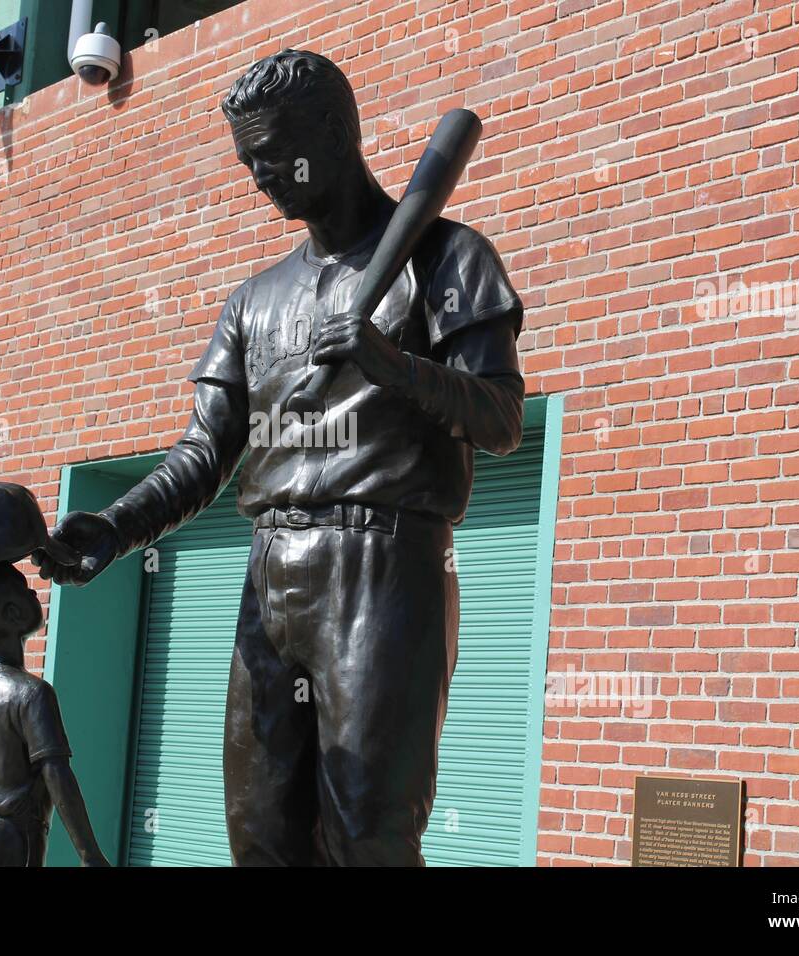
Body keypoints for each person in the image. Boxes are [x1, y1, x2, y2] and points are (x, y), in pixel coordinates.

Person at [34, 49, 525, 866]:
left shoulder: (447, 257)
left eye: (270, 152)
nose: (258, 175)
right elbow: (204, 452)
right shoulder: (254, 300)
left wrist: (391, 362)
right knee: (260, 833)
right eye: (245, 159)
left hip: (384, 563)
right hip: (272, 571)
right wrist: (115, 530)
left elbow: (502, 419)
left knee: (369, 832)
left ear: (334, 134)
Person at [0, 561, 110, 867]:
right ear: (12, 613)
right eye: (25, 590)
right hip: (6, 840)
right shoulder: (31, 692)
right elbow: (57, 775)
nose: (34, 592)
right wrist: (90, 855)